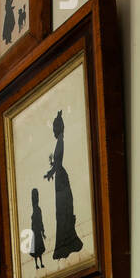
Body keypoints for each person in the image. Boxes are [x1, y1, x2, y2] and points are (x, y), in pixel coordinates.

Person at [44, 111, 83, 261]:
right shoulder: (59, 141)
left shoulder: (60, 141)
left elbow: (58, 163)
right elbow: (57, 163)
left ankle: (66, 244)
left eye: (54, 128)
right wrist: (51, 169)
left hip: (60, 178)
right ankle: (67, 243)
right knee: (63, 210)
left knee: (63, 210)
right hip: (60, 177)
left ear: (58, 128)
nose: (53, 130)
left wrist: (51, 171)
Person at [30, 187, 46, 270]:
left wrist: (42, 232)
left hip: (35, 231)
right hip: (35, 232)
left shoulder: (36, 210)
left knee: (37, 249)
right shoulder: (36, 209)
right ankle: (38, 264)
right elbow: (40, 221)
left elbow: (40, 221)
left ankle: (39, 264)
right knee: (37, 249)